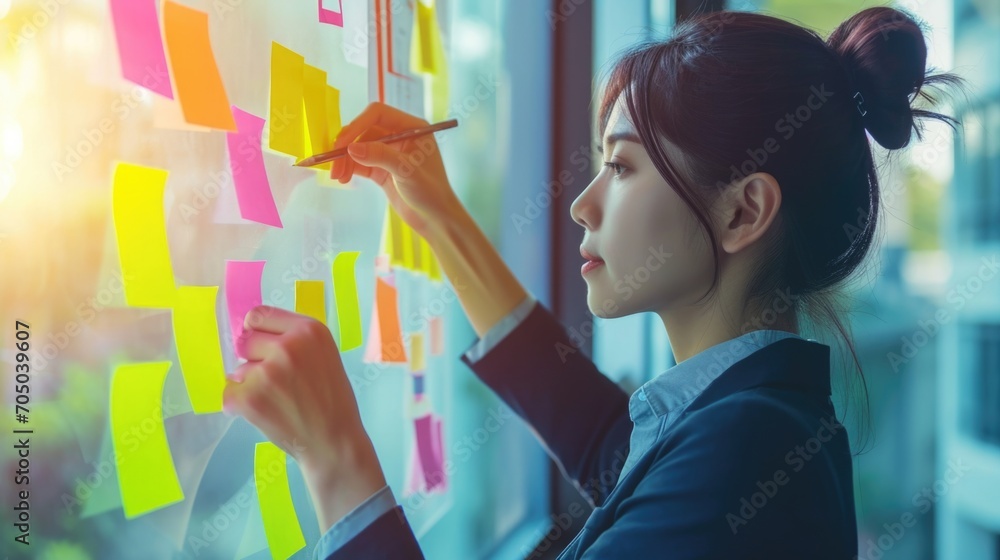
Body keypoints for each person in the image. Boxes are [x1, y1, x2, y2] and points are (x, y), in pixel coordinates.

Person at [222, 7, 962, 559]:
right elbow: (617, 449)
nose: (582, 203)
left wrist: (336, 455)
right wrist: (440, 217)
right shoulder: (759, 421)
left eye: (623, 166)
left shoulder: (748, 451)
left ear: (745, 211)